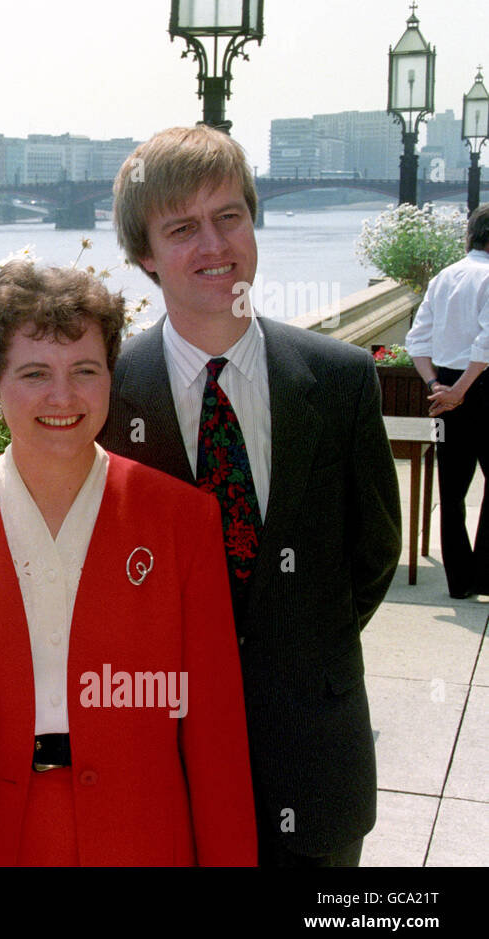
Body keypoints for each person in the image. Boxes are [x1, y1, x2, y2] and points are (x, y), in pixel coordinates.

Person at [101, 125, 402, 866]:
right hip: (161, 771)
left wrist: (299, 653)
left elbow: (373, 554)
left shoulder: (340, 381)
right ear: (144, 255)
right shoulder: (106, 397)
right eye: (182, 228)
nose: (215, 246)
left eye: (229, 216)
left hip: (314, 759)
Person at [0, 263, 256, 865]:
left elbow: (215, 731)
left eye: (85, 371)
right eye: (35, 374)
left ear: (110, 378)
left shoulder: (180, 520)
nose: (63, 397)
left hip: (142, 832)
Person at [406, 202, 489, 599]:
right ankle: (486, 573)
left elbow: (416, 340)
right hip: (484, 385)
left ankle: (460, 581)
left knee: (451, 490)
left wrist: (437, 385)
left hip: (444, 388)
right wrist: (462, 389)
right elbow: (487, 342)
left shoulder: (444, 277)